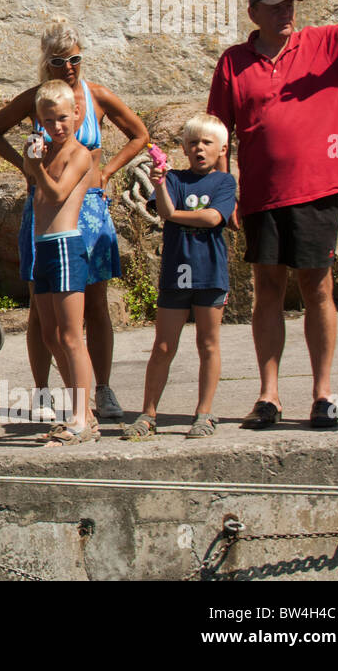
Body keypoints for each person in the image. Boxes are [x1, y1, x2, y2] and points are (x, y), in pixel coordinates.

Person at [207, 0, 338, 430]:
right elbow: (220, 134)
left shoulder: (324, 44)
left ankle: (323, 393)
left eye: (291, 4)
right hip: (263, 195)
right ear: (255, 14)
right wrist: (227, 195)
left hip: (318, 190)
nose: (287, 13)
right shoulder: (233, 62)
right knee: (267, 289)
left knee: (318, 289)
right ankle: (268, 396)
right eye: (277, 6)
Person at [0, 18, 148, 422]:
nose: (69, 67)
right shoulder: (39, 98)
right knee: (41, 307)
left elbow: (140, 134)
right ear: (47, 61)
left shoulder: (97, 97)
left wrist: (108, 171)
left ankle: (101, 391)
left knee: (95, 305)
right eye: (59, 61)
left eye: (75, 58)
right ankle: (43, 391)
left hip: (88, 207)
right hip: (42, 206)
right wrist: (25, 166)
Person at [122, 115, 235, 441]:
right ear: (184, 147)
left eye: (207, 143)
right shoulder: (172, 179)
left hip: (210, 276)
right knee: (163, 345)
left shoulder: (224, 183)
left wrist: (175, 215)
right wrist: (159, 183)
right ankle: (148, 413)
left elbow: (214, 217)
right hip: (175, 276)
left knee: (208, 344)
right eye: (194, 143)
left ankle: (204, 412)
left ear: (222, 149)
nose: (200, 148)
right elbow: (161, 208)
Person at [25, 81, 99, 445]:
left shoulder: (79, 154)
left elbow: (56, 193)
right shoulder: (48, 153)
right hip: (44, 248)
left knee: (72, 336)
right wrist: (33, 163)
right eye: (48, 120)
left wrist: (36, 167)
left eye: (63, 119)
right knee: (51, 335)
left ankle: (83, 416)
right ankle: (80, 409)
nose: (57, 127)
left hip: (67, 246)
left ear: (77, 115)